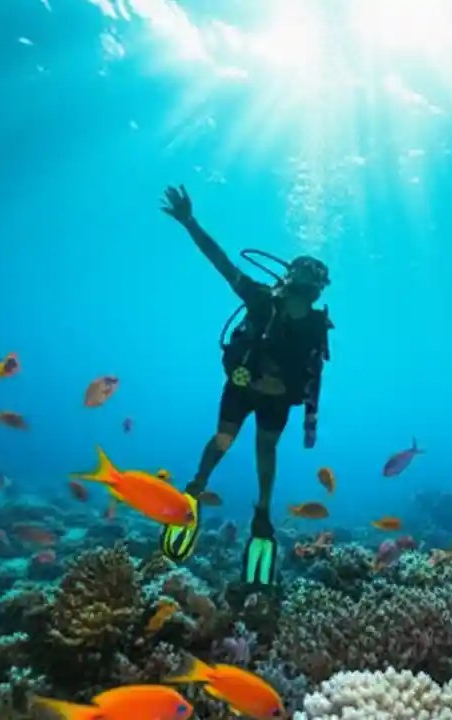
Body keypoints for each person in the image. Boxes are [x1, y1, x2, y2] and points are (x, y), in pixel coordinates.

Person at [158, 184, 331, 587]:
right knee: (224, 440)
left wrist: (281, 391)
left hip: (276, 398)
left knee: (262, 448)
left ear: (313, 292)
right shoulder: (260, 299)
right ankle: (196, 489)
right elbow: (218, 260)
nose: (300, 296)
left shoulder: (314, 326)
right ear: (290, 282)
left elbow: (309, 379)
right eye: (300, 283)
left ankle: (262, 513)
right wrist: (189, 222)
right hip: (241, 384)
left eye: (308, 288)